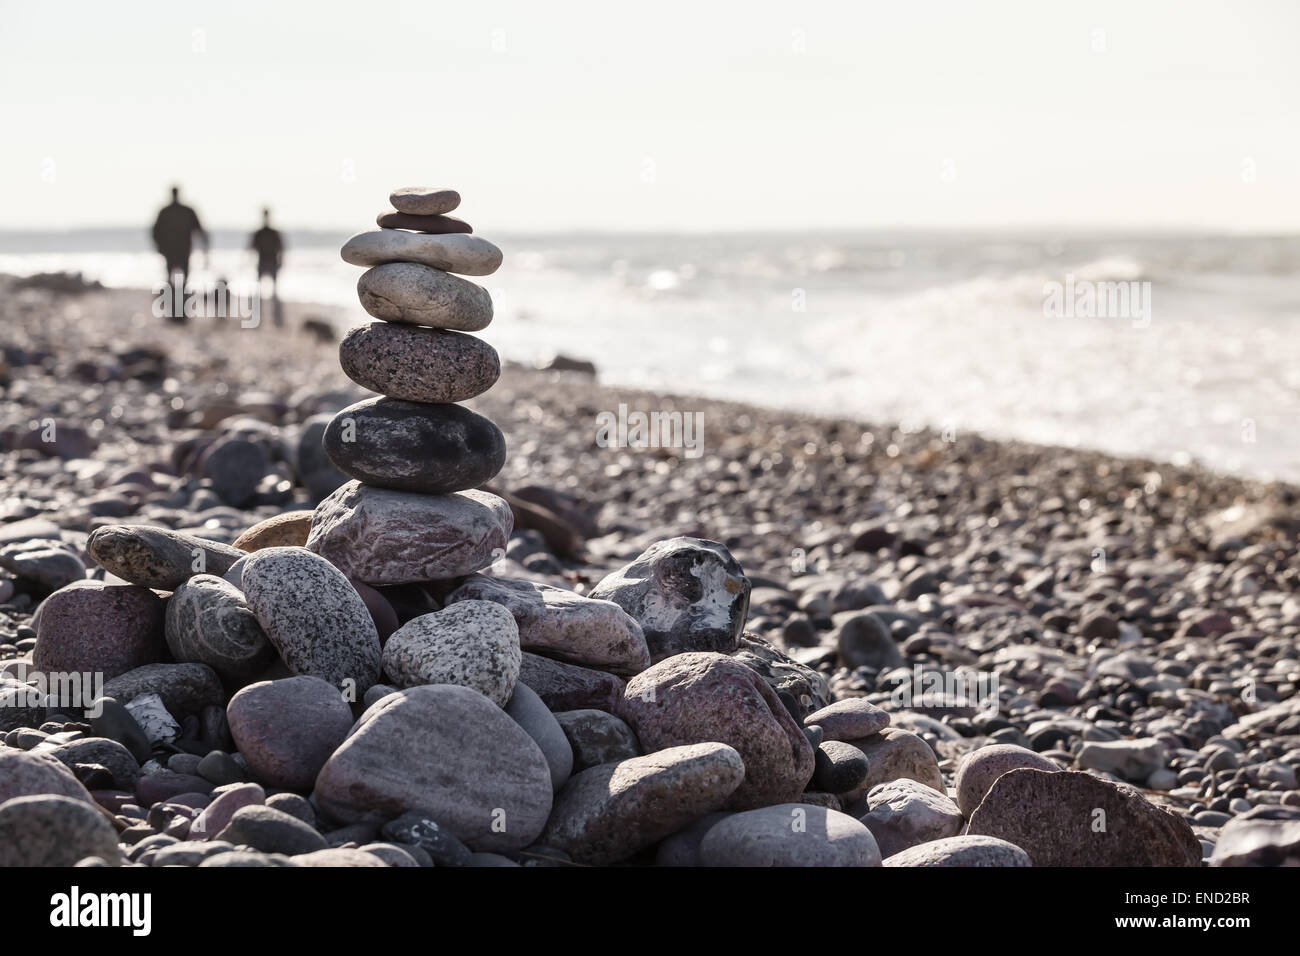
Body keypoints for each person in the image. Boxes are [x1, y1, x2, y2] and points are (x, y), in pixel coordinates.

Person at [151, 186, 208, 321]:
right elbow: (155, 232)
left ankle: (180, 312)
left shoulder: (174, 211)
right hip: (174, 252)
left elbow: (199, 230)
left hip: (179, 251)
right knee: (176, 282)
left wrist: (205, 247)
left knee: (179, 282)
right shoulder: (174, 211)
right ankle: (175, 312)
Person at [250, 207, 285, 326]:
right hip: (264, 264)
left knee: (274, 293)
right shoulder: (260, 233)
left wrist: (280, 261)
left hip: (271, 264)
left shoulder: (272, 233)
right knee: (260, 293)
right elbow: (251, 248)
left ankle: (277, 320)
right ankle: (259, 320)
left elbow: (281, 248)